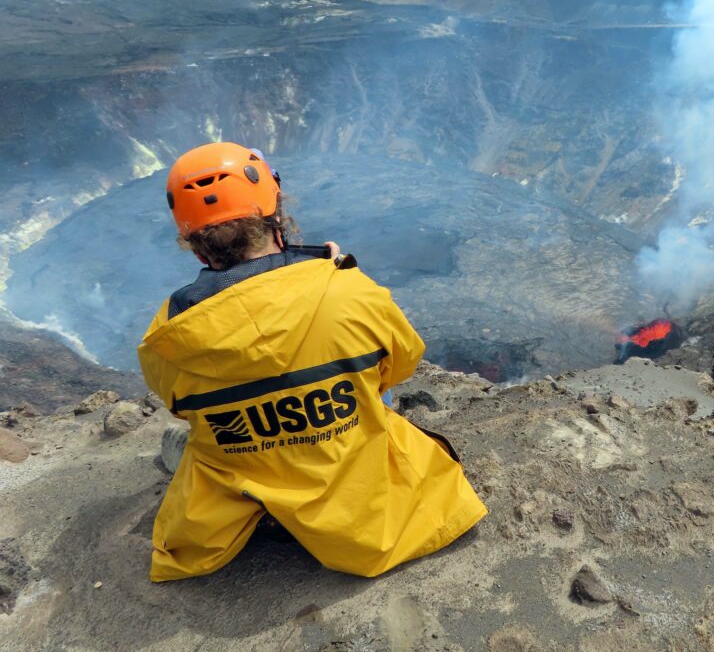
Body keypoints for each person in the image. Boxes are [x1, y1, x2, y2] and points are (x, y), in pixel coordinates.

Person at [137, 142, 487, 582]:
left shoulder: (167, 331)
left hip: (241, 490)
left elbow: (178, 404)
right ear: (274, 215)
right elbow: (400, 364)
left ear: (193, 242)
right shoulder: (348, 292)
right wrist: (335, 282)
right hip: (359, 504)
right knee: (372, 381)